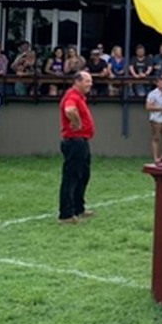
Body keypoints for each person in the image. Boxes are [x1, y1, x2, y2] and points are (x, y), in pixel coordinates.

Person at [58, 71, 96, 224]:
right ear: (77, 82)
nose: (90, 84)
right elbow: (69, 110)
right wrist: (77, 122)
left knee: (83, 175)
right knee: (72, 177)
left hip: (81, 141)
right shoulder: (72, 96)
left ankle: (78, 207)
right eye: (87, 81)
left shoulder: (80, 97)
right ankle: (66, 214)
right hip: (75, 141)